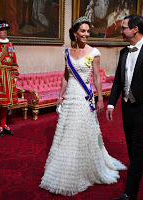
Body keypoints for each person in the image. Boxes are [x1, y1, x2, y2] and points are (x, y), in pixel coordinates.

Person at [40, 16, 126, 196]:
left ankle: (83, 169)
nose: (86, 34)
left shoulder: (94, 52)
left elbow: (96, 78)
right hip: (70, 96)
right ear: (74, 33)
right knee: (67, 131)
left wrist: (100, 99)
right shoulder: (67, 53)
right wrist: (60, 96)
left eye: (88, 31)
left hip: (84, 97)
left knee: (81, 130)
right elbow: (65, 76)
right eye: (83, 31)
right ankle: (66, 167)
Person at [106, 15, 143, 200]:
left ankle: (130, 194)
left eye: (124, 28)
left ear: (134, 29)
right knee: (132, 148)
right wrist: (111, 103)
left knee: (138, 148)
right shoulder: (124, 52)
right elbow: (118, 81)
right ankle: (135, 176)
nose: (121, 31)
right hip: (127, 108)